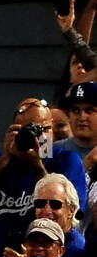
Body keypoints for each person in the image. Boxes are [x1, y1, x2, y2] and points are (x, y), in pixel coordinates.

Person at [0, 97, 88, 257]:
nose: (39, 135)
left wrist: (37, 165)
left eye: (44, 129)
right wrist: (5, 157)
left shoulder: (66, 160)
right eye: (29, 129)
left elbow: (72, 214)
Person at [53, 82, 97, 236]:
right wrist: (87, 162)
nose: (82, 117)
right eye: (75, 110)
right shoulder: (54, 151)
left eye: (89, 110)